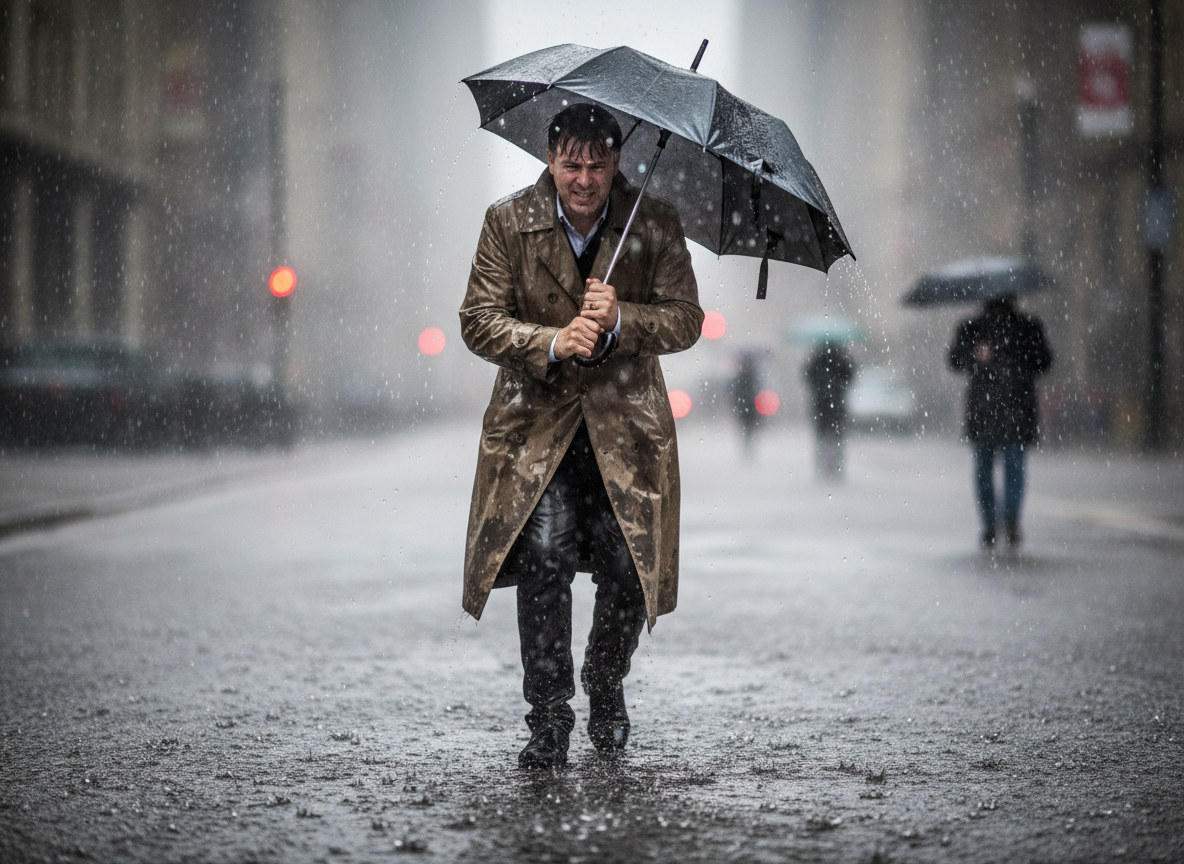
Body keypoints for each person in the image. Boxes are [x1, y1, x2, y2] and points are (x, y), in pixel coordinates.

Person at [459, 103, 703, 769]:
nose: (586, 179)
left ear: (617, 159)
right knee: (543, 559)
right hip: (537, 432)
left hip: (625, 434)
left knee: (628, 570)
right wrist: (552, 340)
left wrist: (624, 319)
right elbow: (478, 319)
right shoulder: (507, 222)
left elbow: (686, 319)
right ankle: (547, 715)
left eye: (598, 164)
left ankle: (604, 682)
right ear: (551, 157)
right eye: (572, 164)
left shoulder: (653, 223)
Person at [948, 294, 1052, 549]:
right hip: (986, 409)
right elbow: (954, 361)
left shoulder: (1028, 327)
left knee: (1010, 465)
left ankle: (1008, 519)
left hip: (1014, 407)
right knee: (989, 468)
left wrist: (1019, 355)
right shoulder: (971, 328)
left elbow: (1044, 361)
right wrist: (975, 356)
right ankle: (992, 524)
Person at [803, 340, 855, 478]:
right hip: (837, 402)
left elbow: (807, 376)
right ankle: (838, 463)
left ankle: (820, 463)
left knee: (821, 434)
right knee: (837, 434)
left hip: (820, 403)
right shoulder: (842, 358)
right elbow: (851, 375)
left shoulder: (817, 358)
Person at [731, 351, 761, 456]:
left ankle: (747, 444)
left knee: (745, 426)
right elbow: (757, 390)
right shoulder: (753, 376)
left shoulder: (740, 376)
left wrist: (737, 403)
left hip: (743, 406)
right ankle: (749, 444)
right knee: (750, 426)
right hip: (751, 405)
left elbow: (735, 392)